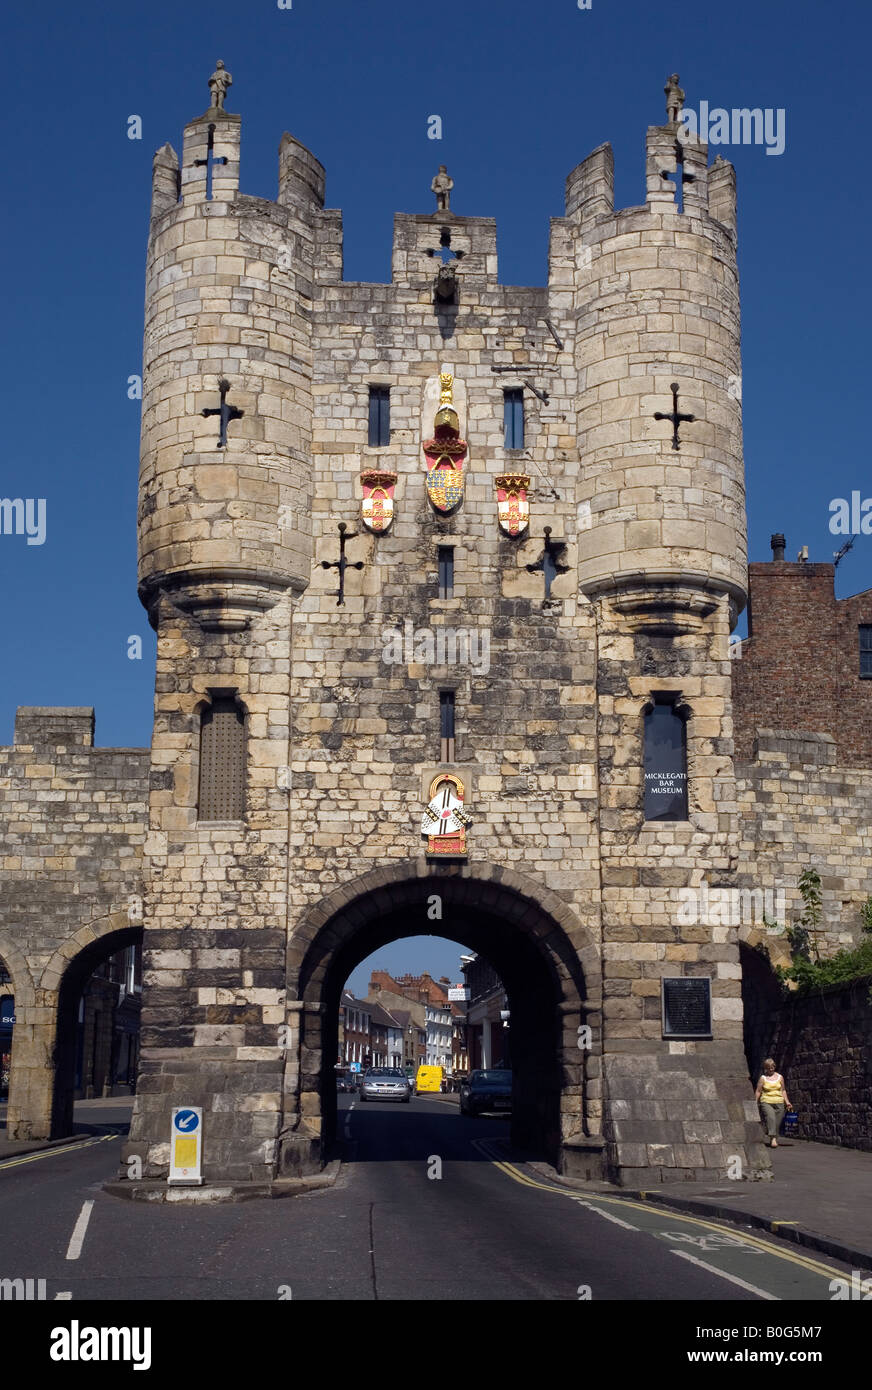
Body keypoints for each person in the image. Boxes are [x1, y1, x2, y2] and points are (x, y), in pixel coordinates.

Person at [755, 1057, 792, 1147]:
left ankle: (773, 1137)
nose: (771, 1069)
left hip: (779, 1101)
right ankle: (773, 1138)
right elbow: (758, 1091)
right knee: (771, 1118)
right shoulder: (763, 1078)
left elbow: (783, 1090)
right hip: (766, 1101)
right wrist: (755, 1102)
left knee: (777, 1122)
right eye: (769, 1067)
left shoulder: (780, 1077)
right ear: (766, 1068)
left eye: (772, 1067)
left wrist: (787, 1102)